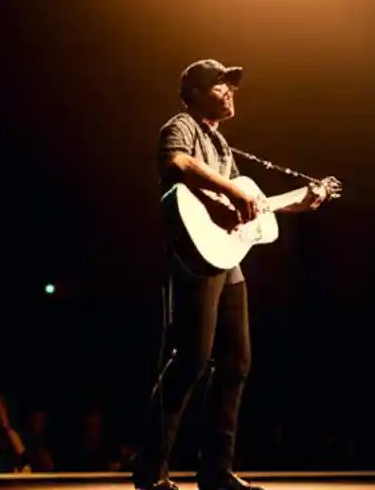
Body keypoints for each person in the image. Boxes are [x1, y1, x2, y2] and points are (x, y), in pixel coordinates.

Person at [132, 59, 330, 490]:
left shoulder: (221, 145)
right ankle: (150, 468)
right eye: (221, 86)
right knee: (191, 361)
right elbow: (176, 164)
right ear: (197, 92)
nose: (230, 92)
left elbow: (250, 208)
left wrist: (302, 200)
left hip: (226, 258)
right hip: (196, 255)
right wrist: (227, 190)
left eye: (231, 87)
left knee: (236, 362)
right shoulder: (180, 125)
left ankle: (215, 470)